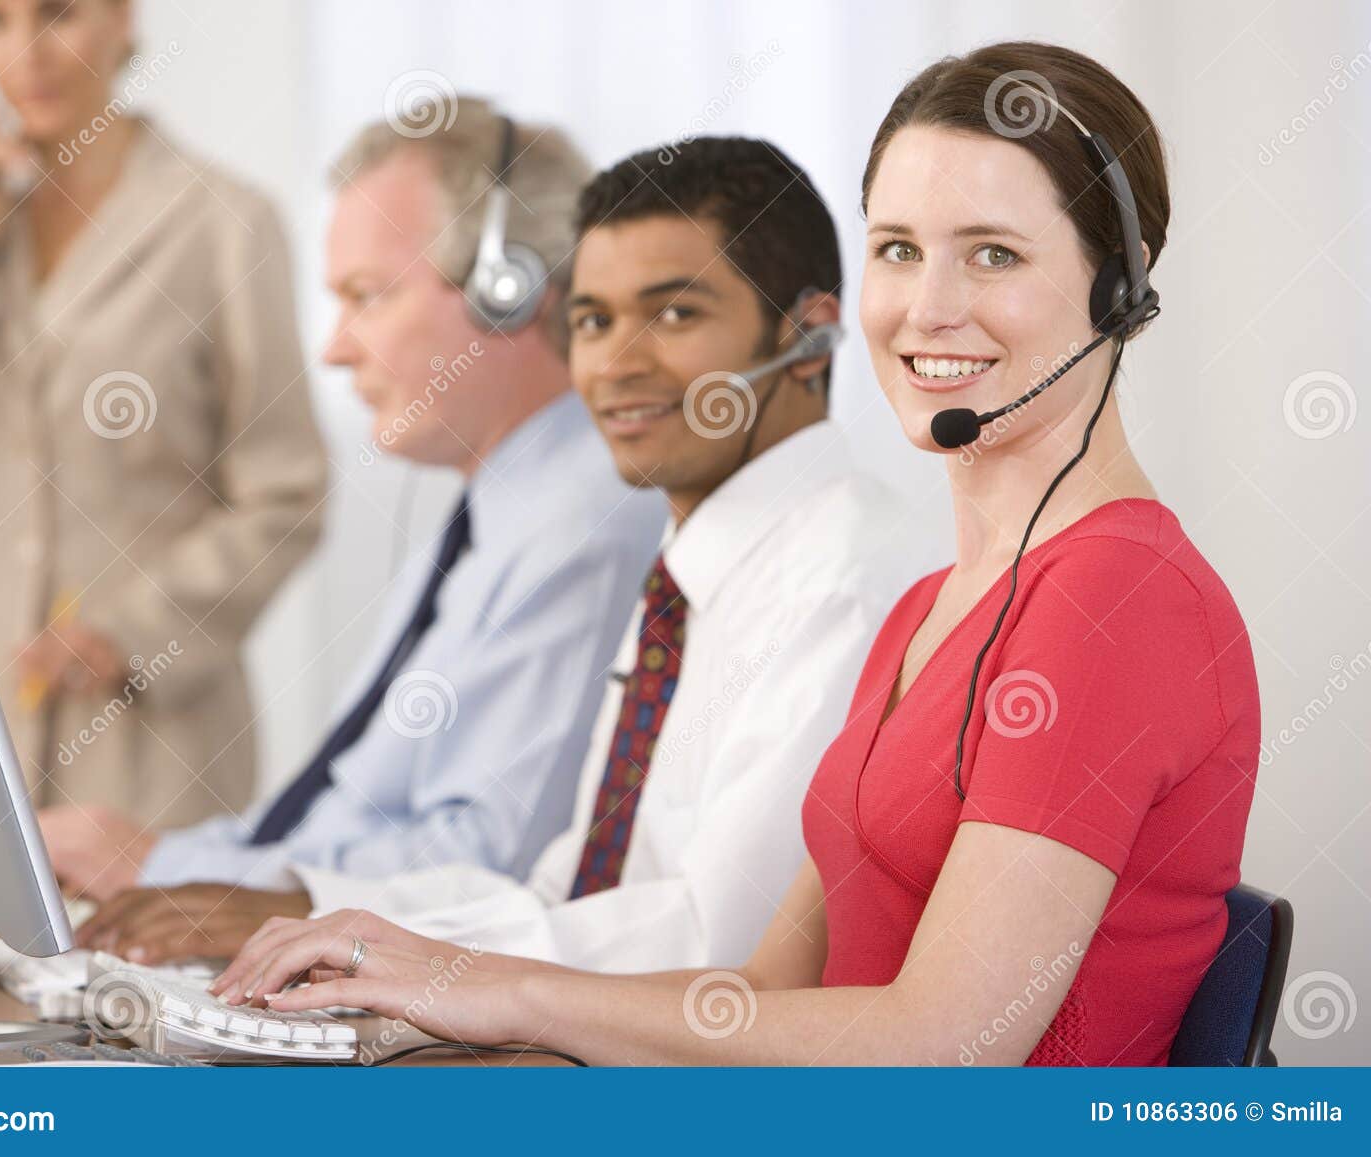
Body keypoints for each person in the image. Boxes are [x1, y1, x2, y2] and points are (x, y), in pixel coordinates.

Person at [212, 42, 1260, 1068]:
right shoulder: (934, 607)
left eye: (992, 252)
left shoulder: (1116, 599)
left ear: (1116, 288)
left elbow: (943, 1047)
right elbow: (759, 993)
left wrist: (504, 992)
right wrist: (446, 995)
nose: (925, 307)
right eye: (897, 248)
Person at [82, 135, 931, 970]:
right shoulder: (691, 568)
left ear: (811, 337)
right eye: (595, 320)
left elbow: (716, 946)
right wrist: (327, 917)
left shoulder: (837, 581)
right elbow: (569, 892)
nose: (617, 364)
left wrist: (359, 937)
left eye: (676, 312)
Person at [39, 99, 668, 945]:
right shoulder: (485, 520)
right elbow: (331, 820)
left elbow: (488, 867)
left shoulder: (584, 526)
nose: (335, 349)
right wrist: (159, 858)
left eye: (366, 298)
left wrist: (171, 874)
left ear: (507, 291)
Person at [0, 0, 326, 828]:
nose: (26, 54)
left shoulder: (224, 222)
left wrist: (133, 628)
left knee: (146, 955)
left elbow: (287, 490)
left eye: (58, 14)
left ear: (123, 19)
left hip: (151, 740)